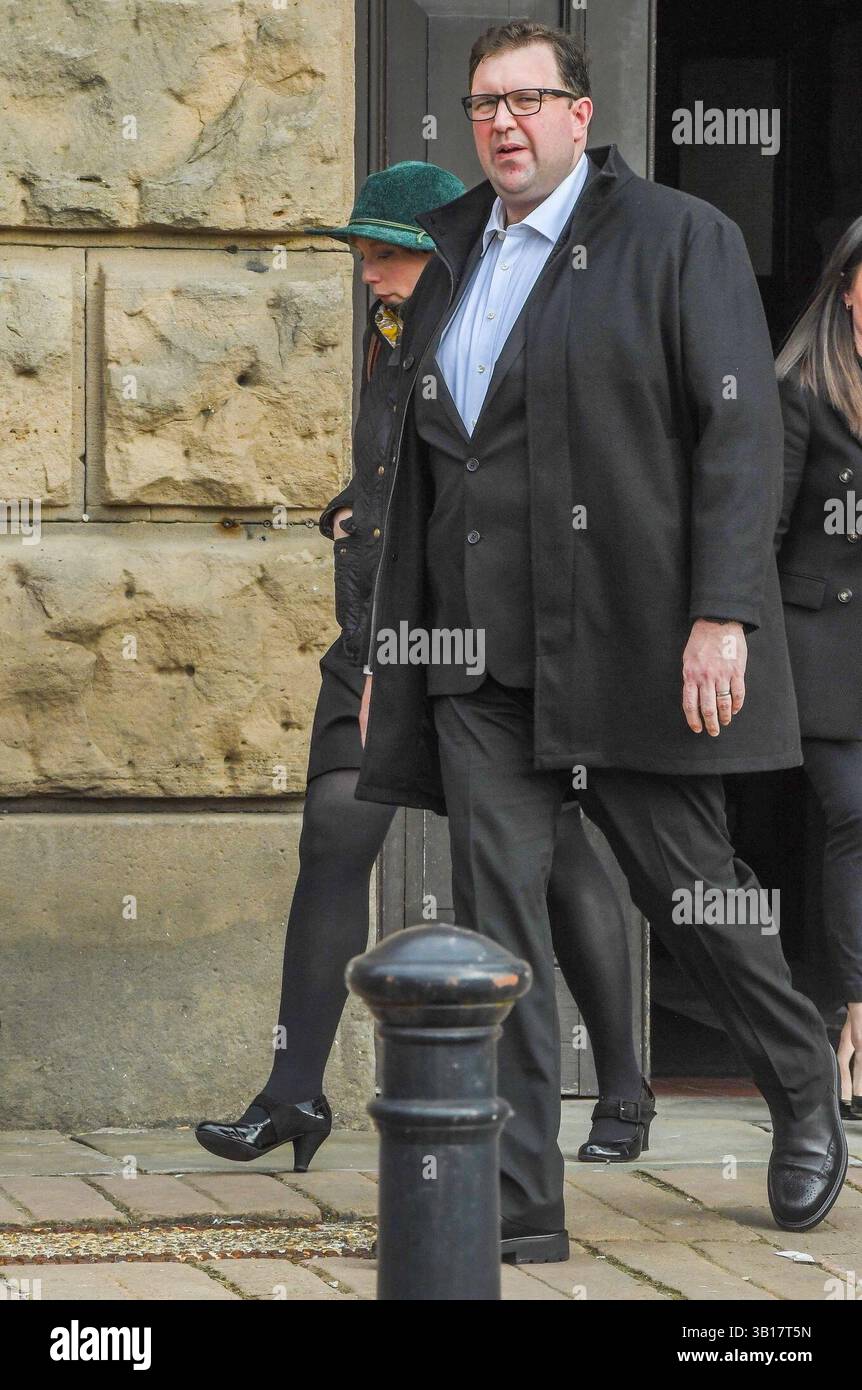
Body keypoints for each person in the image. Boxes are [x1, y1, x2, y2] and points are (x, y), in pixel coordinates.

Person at [354, 19, 847, 1264]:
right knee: (497, 926)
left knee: (692, 899)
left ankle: (797, 1080)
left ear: (580, 113)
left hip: (630, 638)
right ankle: (518, 1201)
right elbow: (410, 464)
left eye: (527, 100)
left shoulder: (682, 237)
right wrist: (384, 653)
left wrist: (723, 611)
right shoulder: (451, 245)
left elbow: (737, 439)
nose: (503, 124)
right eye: (482, 105)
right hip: (473, 661)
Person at [195, 160, 649, 1177]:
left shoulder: (497, 331)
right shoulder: (393, 329)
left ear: (444, 252)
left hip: (477, 645)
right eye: (360, 252)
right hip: (376, 633)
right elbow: (400, 466)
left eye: (386, 253)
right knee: (332, 833)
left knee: (558, 855)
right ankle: (292, 1091)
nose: (368, 273)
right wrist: (356, 504)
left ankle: (620, 1083)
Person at [775, 214, 862, 1123]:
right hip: (822, 650)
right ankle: (852, 1022)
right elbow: (760, 529)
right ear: (846, 288)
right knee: (857, 816)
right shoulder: (801, 390)